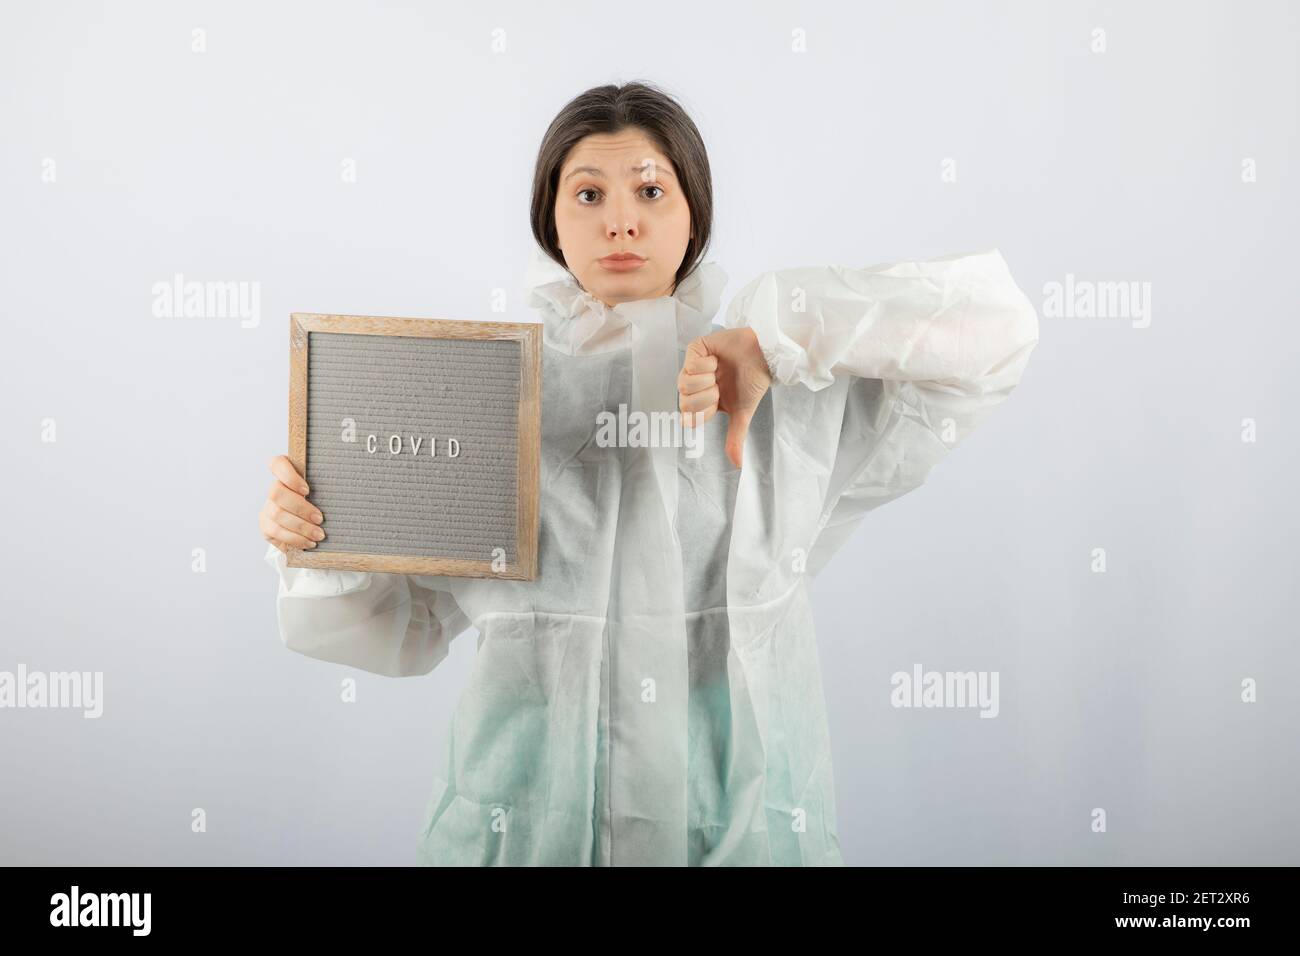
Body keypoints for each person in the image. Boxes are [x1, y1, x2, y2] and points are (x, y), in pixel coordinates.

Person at [259, 81, 1040, 865]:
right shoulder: (489, 394)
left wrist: (777, 338)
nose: (621, 220)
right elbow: (399, 632)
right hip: (522, 832)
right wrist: (317, 540)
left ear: (693, 211)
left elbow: (996, 331)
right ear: (551, 222)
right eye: (588, 193)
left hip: (739, 834)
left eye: (651, 190)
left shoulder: (788, 387)